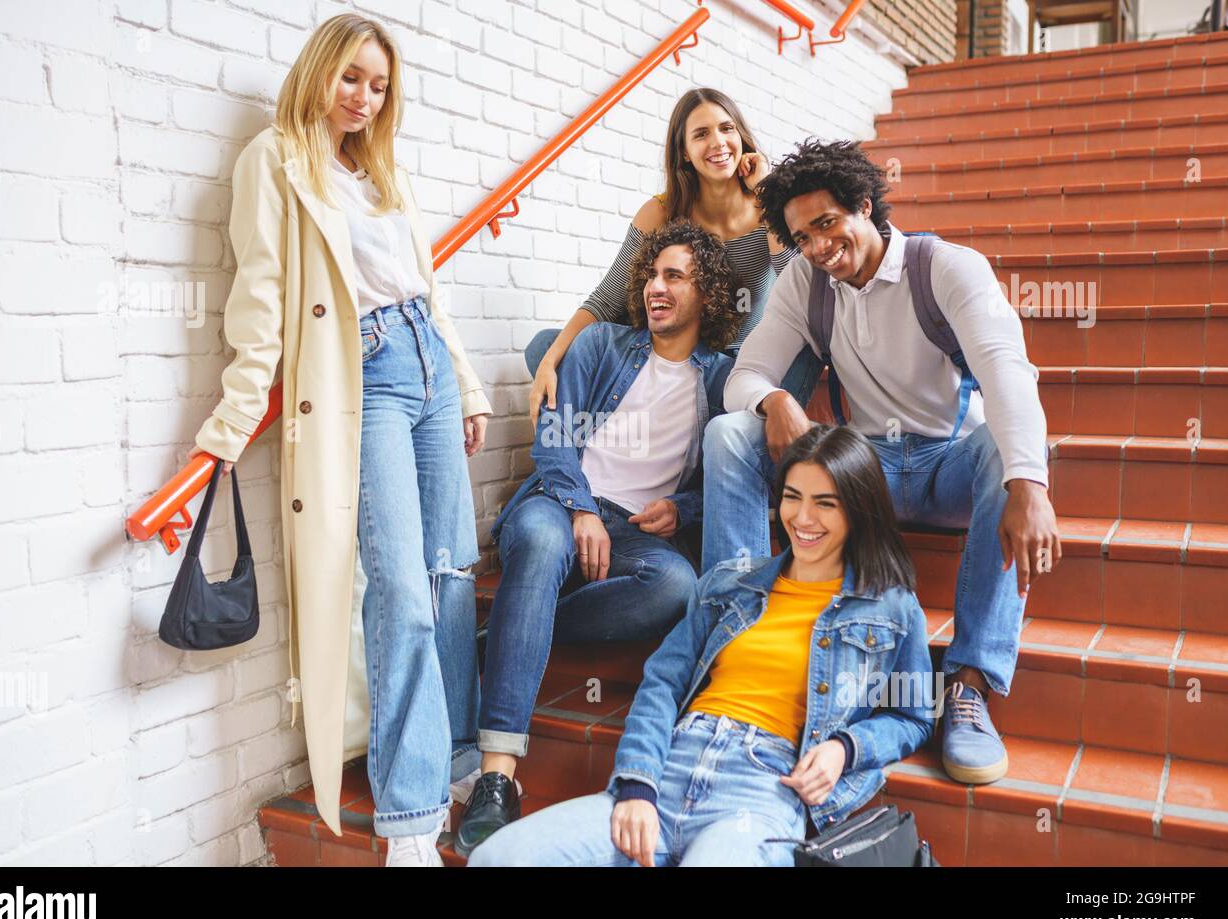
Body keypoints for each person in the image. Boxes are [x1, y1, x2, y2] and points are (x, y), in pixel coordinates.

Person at [187, 14, 491, 866]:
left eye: (380, 84)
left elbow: (426, 291)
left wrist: (464, 385)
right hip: (368, 376)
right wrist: (234, 417)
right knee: (395, 586)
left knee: (448, 573)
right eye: (352, 77)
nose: (364, 97)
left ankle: (456, 758)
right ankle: (410, 821)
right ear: (320, 70)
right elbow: (260, 296)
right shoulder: (274, 161)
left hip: (425, 363)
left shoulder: (377, 171)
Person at [703, 139, 1062, 786]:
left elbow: (1008, 373)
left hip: (949, 462)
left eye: (826, 224)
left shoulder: (946, 267)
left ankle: (970, 686)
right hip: (863, 468)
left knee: (1009, 455)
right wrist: (777, 400)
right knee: (731, 432)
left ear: (864, 207)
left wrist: (1028, 485)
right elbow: (743, 376)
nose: (815, 246)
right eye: (800, 236)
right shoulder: (803, 283)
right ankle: (738, 646)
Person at [468, 424, 936, 867]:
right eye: (792, 497)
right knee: (498, 857)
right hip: (671, 764)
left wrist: (845, 748)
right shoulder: (728, 585)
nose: (803, 518)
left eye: (825, 503)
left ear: (857, 508)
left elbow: (913, 716)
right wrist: (636, 785)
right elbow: (662, 684)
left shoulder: (892, 608)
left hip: (761, 790)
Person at [454, 221, 739, 856]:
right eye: (651, 275)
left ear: (709, 294)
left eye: (675, 277)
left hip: (636, 532)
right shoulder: (601, 345)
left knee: (675, 585)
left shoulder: (719, 379)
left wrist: (682, 510)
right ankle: (497, 779)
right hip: (561, 502)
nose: (655, 288)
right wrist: (579, 507)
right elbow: (553, 438)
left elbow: (732, 472)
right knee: (538, 542)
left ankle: (514, 628)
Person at [524, 88, 819, 425]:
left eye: (727, 129)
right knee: (545, 346)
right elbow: (607, 300)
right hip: (670, 357)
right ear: (684, 152)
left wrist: (770, 192)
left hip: (738, 364)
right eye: (701, 134)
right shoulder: (661, 211)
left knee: (808, 345)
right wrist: (549, 362)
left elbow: (800, 287)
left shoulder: (768, 205)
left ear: (742, 137)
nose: (719, 143)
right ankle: (604, 450)